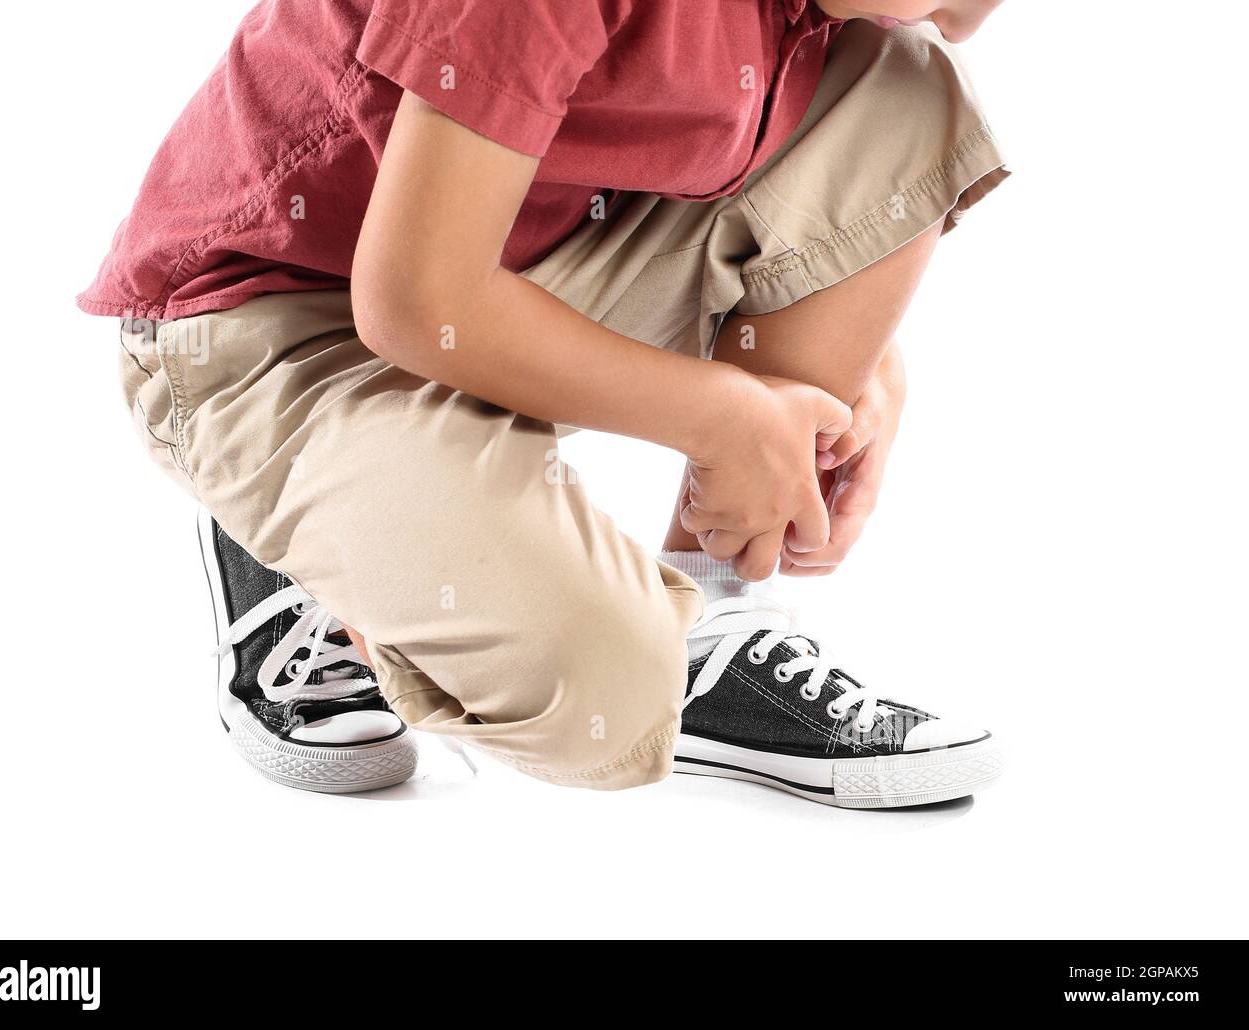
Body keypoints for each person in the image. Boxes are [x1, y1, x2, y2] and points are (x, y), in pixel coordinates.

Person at [85, 0, 1008, 806]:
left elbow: (834, 133)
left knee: (908, 86)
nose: (970, 13)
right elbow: (417, 303)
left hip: (511, 269)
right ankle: (299, 530)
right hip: (266, 325)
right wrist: (726, 415)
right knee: (603, 692)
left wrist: (858, 337)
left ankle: (711, 627)